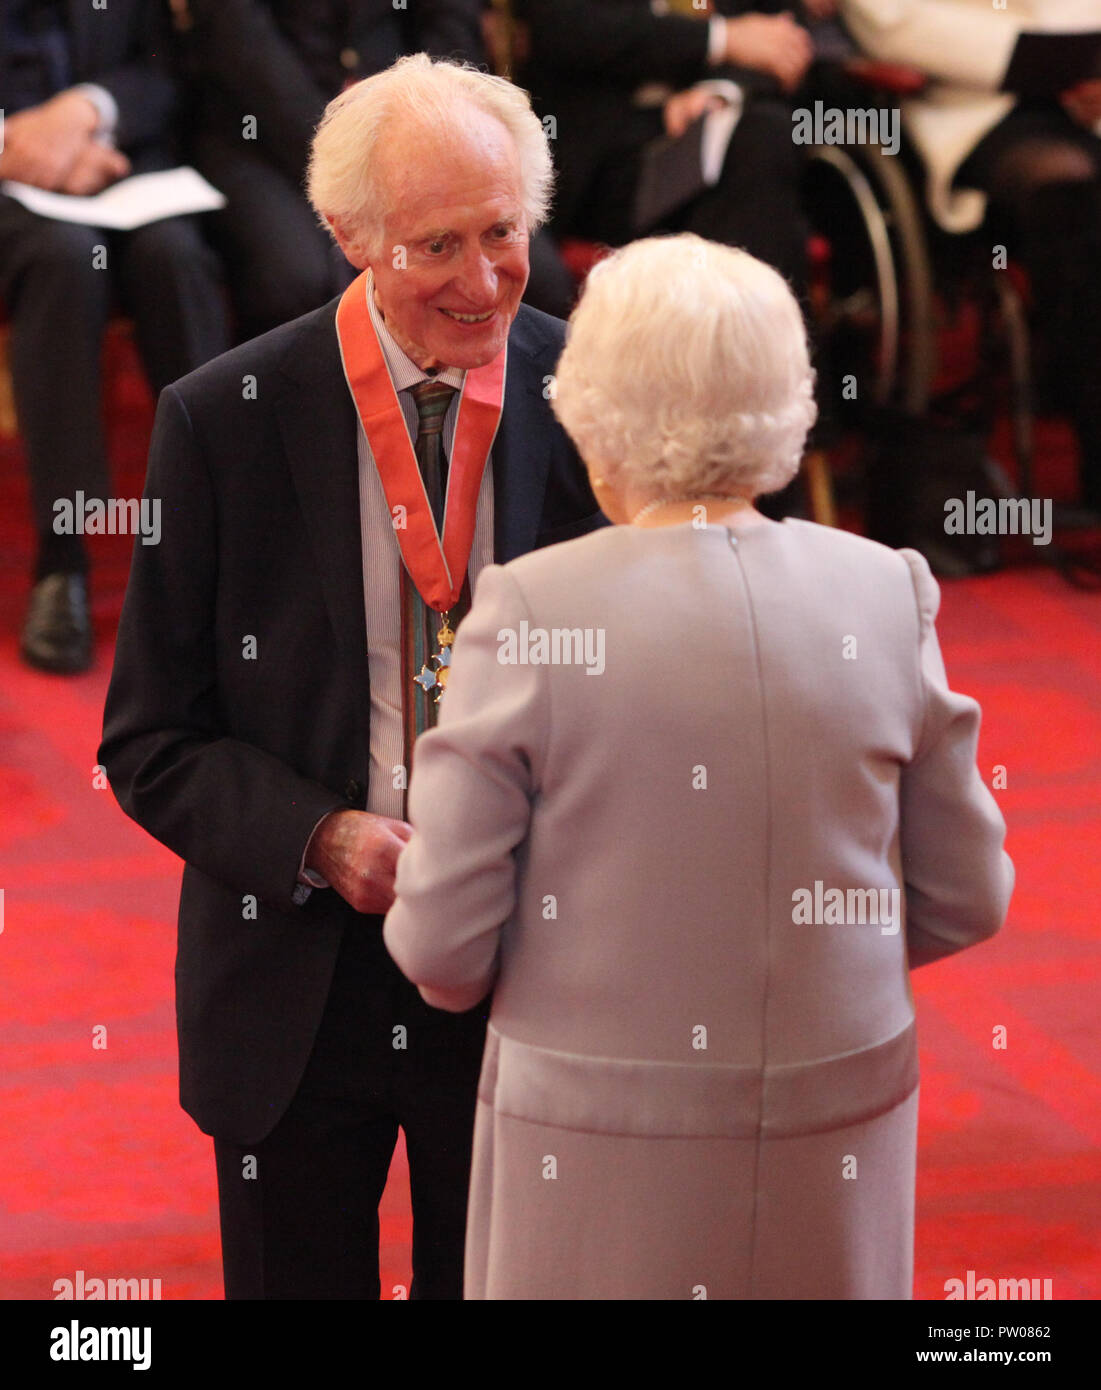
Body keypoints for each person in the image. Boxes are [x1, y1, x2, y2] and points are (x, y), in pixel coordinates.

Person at [383, 233, 1014, 1300]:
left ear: (589, 406)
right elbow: (966, 894)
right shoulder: (885, 588)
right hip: (840, 1109)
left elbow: (443, 945)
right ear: (792, 397)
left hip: (599, 1136)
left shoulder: (535, 607)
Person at [98, 55, 603, 1300]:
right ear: (347, 237)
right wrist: (322, 837)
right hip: (298, 973)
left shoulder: (593, 390)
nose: (483, 283)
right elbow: (150, 739)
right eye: (439, 244)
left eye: (505, 233)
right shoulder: (221, 418)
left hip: (527, 969)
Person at [1, 0, 230, 674]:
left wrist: (87, 113)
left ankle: (220, 545)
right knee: (64, 261)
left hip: (122, 169)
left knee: (176, 258)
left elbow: (166, 72)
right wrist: (19, 151)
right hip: (14, 193)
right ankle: (63, 562)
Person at [841, 0, 1101, 511]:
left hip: (1086, 99)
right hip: (966, 108)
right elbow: (887, 21)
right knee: (1065, 192)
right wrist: (1027, 60)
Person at [172, 0, 486, 338]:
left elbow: (449, 24)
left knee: (534, 279)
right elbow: (243, 49)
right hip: (261, 139)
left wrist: (421, 123)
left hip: (411, 128)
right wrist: (350, 149)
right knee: (299, 278)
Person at [511, 0, 816, 294]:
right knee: (756, 183)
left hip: (718, 120)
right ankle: (734, 332)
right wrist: (719, 38)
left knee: (766, 138)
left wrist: (717, 91)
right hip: (606, 153)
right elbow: (563, 27)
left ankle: (736, 333)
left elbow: (784, 39)